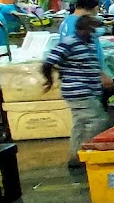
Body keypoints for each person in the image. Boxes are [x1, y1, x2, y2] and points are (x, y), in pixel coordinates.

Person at [42, 16, 108, 169]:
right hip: (78, 90)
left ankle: (76, 157)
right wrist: (50, 81)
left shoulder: (90, 42)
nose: (97, 32)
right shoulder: (69, 42)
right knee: (98, 120)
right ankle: (86, 153)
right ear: (85, 28)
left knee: (80, 124)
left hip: (89, 89)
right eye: (94, 29)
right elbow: (49, 62)